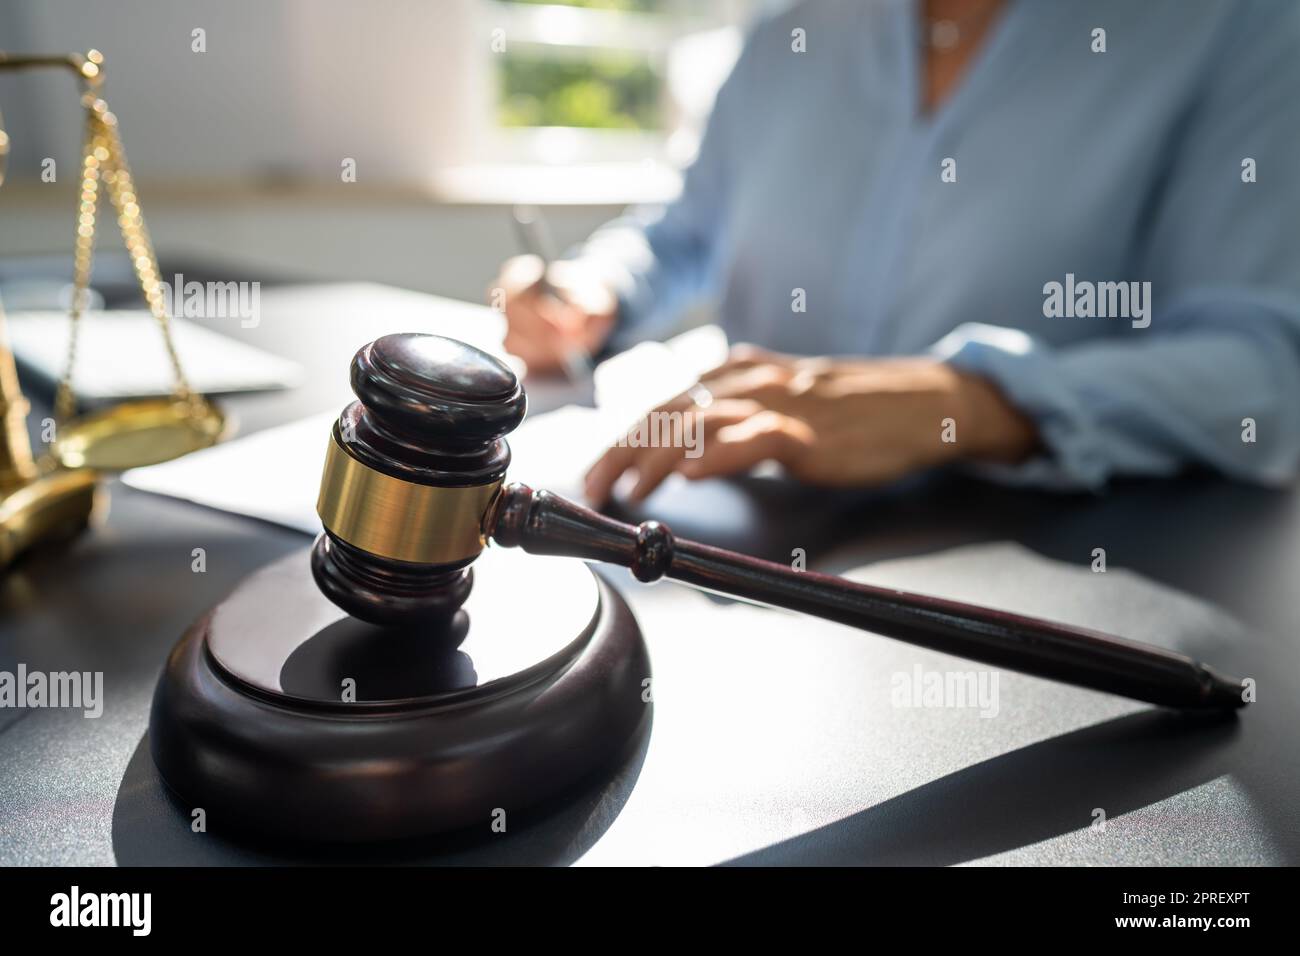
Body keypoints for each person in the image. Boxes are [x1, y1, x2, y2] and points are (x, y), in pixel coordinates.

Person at [491, 0, 1300, 506]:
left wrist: (969, 403)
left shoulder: (1237, 27)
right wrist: (600, 289)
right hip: (736, 539)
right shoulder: (788, 33)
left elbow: (1263, 374)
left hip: (1042, 584)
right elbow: (687, 230)